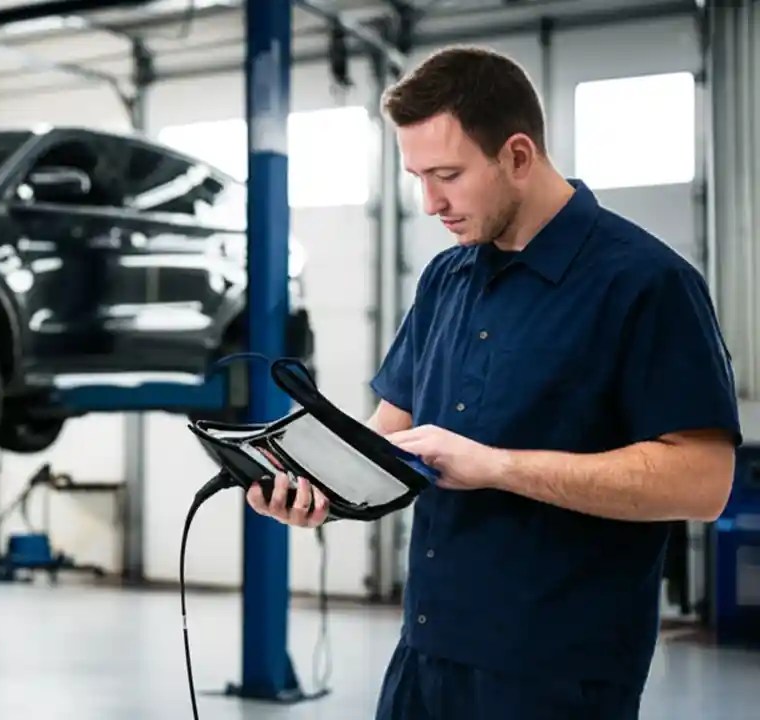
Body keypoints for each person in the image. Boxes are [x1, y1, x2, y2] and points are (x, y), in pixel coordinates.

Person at [246, 45, 740, 719]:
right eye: (417, 176)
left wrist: (499, 467)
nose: (429, 203)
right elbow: (387, 439)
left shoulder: (645, 284)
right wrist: (316, 488)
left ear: (516, 155)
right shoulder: (447, 278)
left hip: (556, 677)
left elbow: (703, 483)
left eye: (447, 174)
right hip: (425, 655)